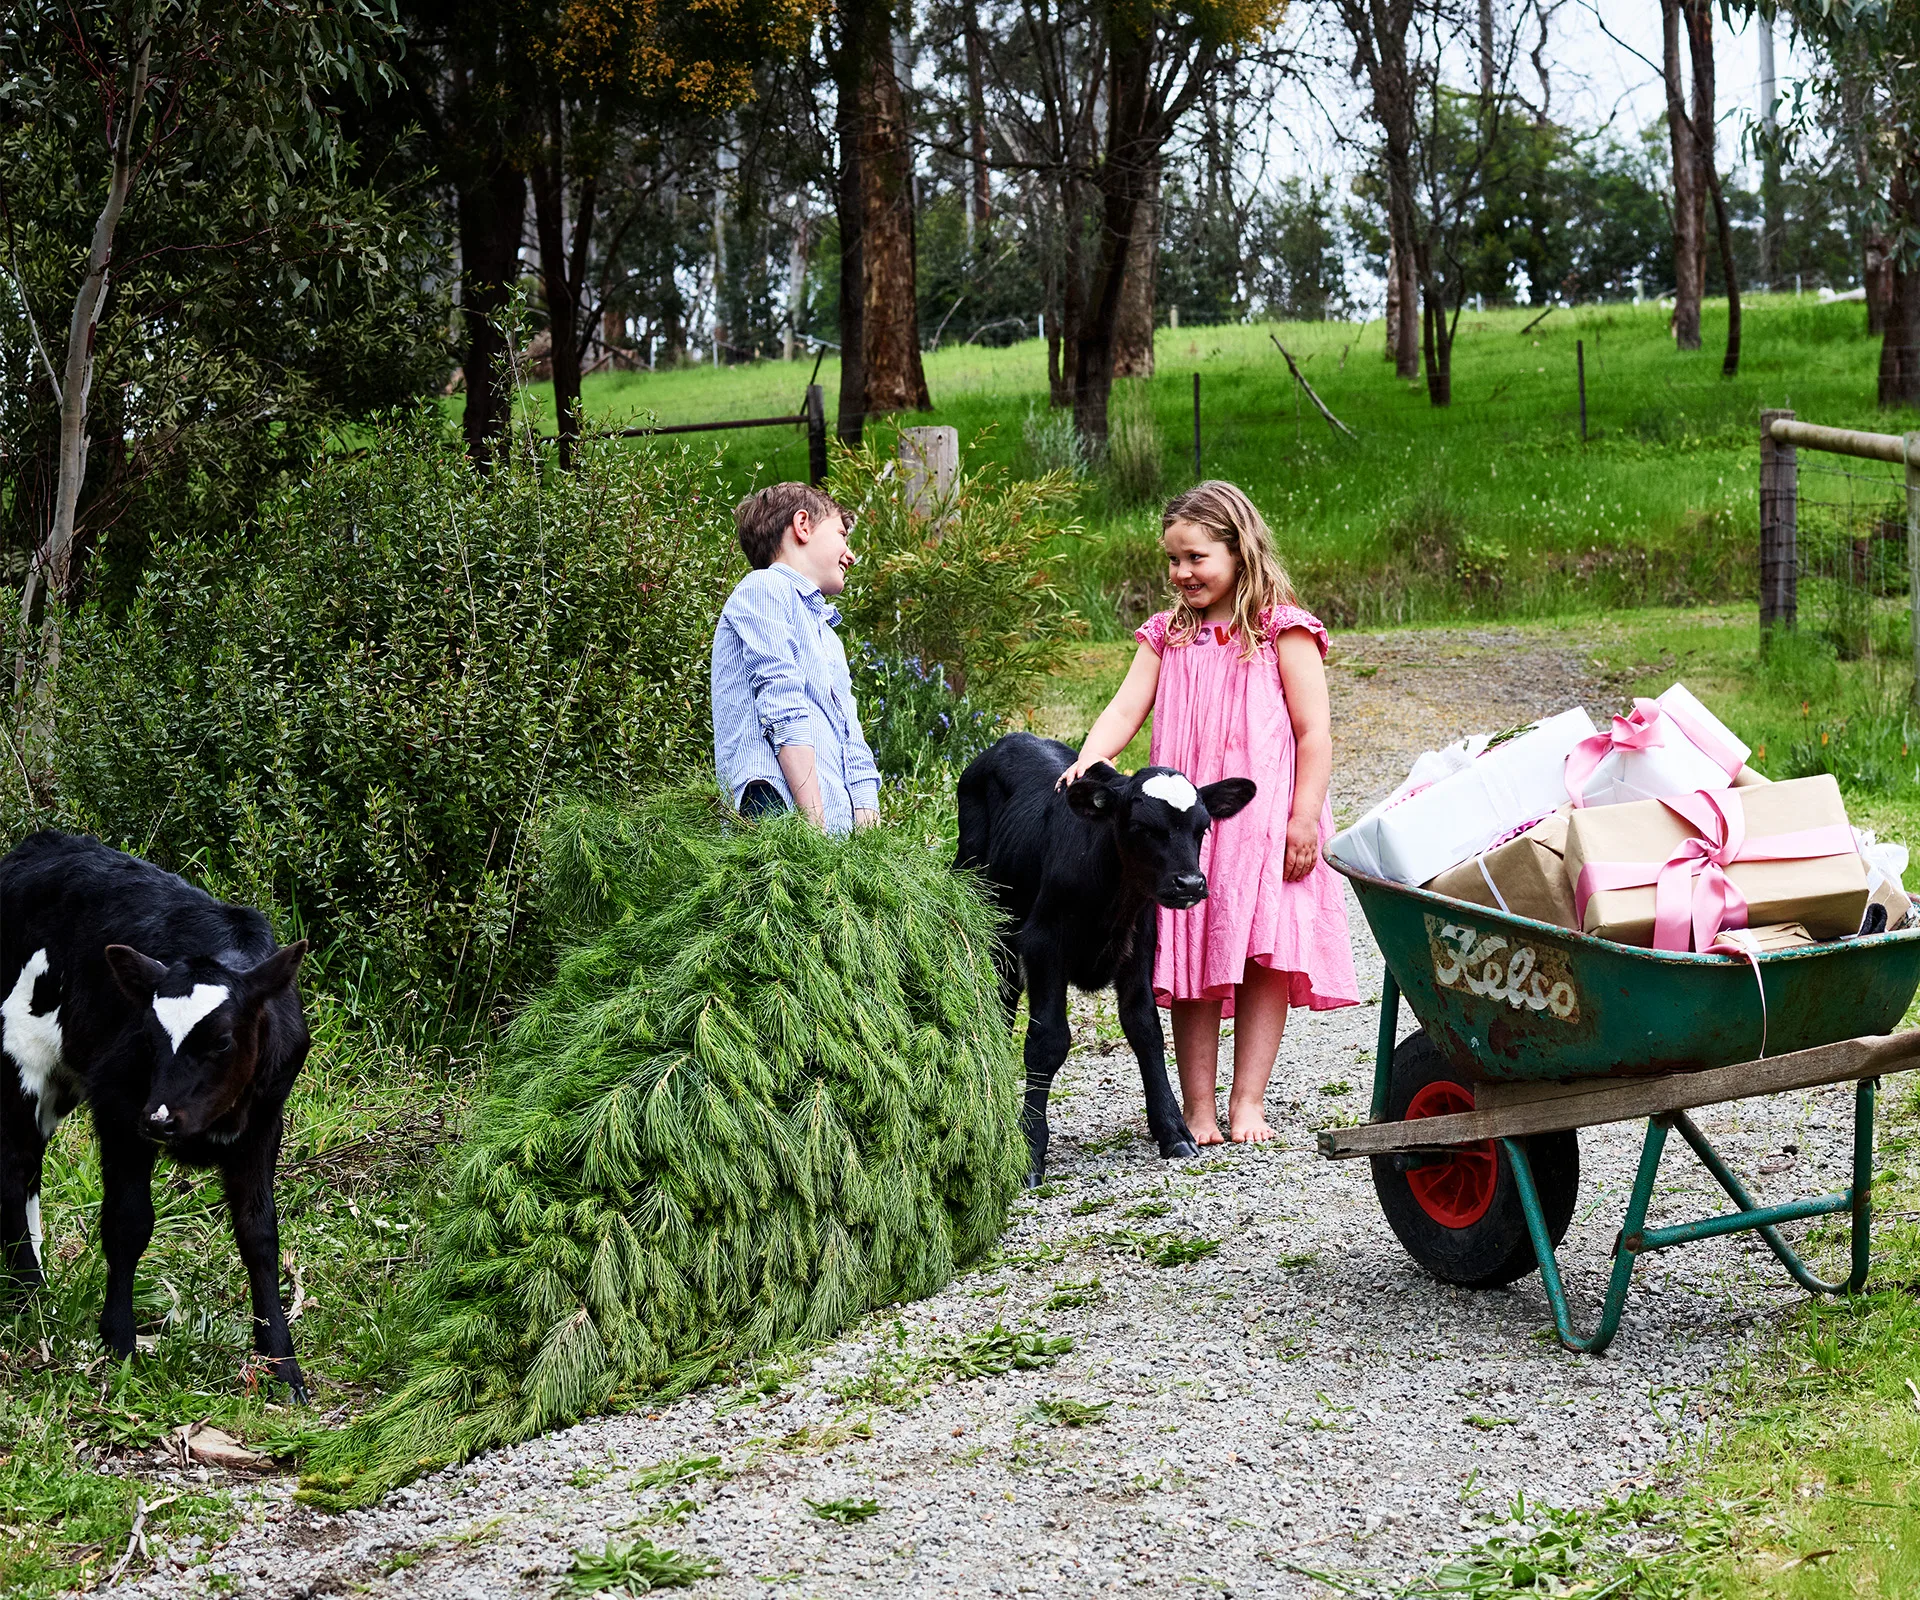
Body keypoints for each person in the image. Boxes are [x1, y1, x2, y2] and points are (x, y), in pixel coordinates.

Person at [1057, 481, 1359, 1143]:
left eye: (1196, 557)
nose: (1181, 573)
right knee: (1190, 956)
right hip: (1180, 833)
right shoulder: (1168, 635)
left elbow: (1315, 733)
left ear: (1238, 548)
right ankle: (1197, 1109)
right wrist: (1089, 758)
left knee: (1260, 956)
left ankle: (1247, 1100)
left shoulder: (1282, 629)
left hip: (1261, 824)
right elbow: (1125, 707)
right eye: (1173, 560)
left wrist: (1303, 818)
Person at [712, 483, 881, 833]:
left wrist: (871, 844)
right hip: (778, 814)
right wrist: (813, 830)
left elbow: (853, 739)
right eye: (841, 535)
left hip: (832, 828)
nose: (850, 555)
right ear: (802, 525)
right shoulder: (763, 589)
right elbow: (783, 708)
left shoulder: (827, 636)